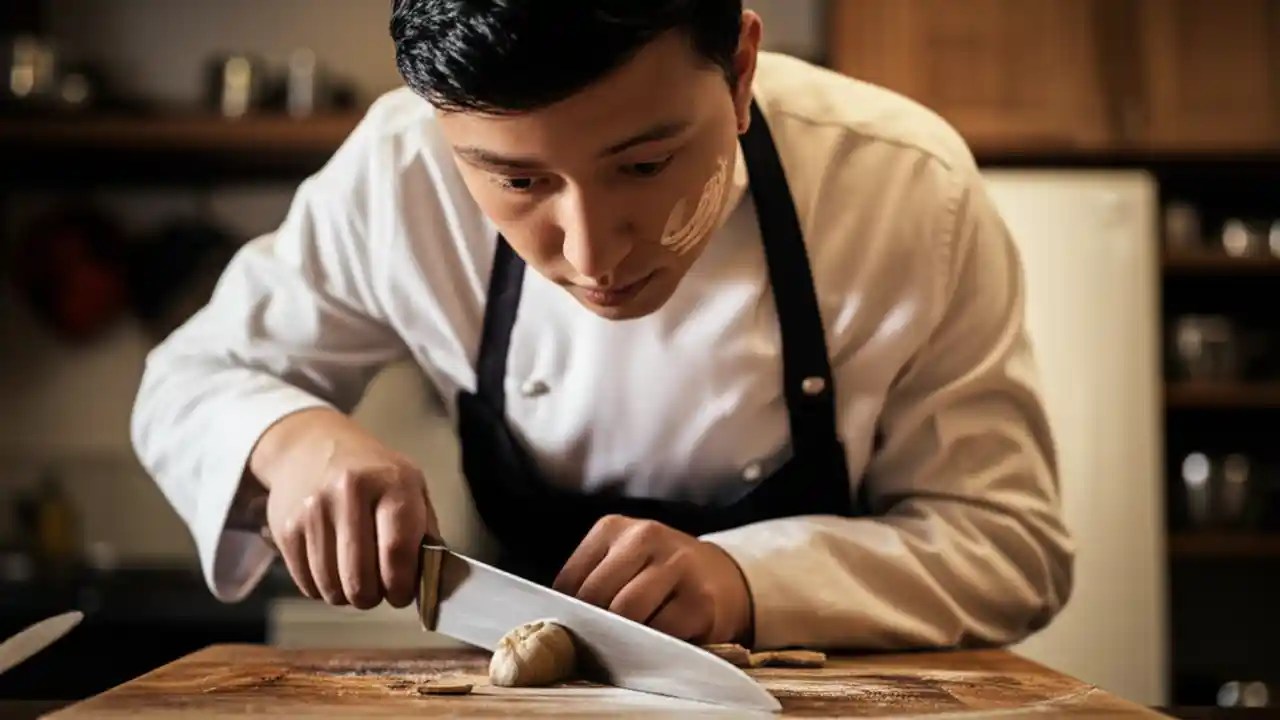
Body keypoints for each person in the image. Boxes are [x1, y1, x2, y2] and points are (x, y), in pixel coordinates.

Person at [131, 1, 1073, 651]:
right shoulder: (400, 173)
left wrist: (749, 584)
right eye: (517, 181)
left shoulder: (904, 187)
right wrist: (288, 442)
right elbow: (190, 379)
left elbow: (1008, 545)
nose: (592, 253)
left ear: (740, 70)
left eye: (645, 164)